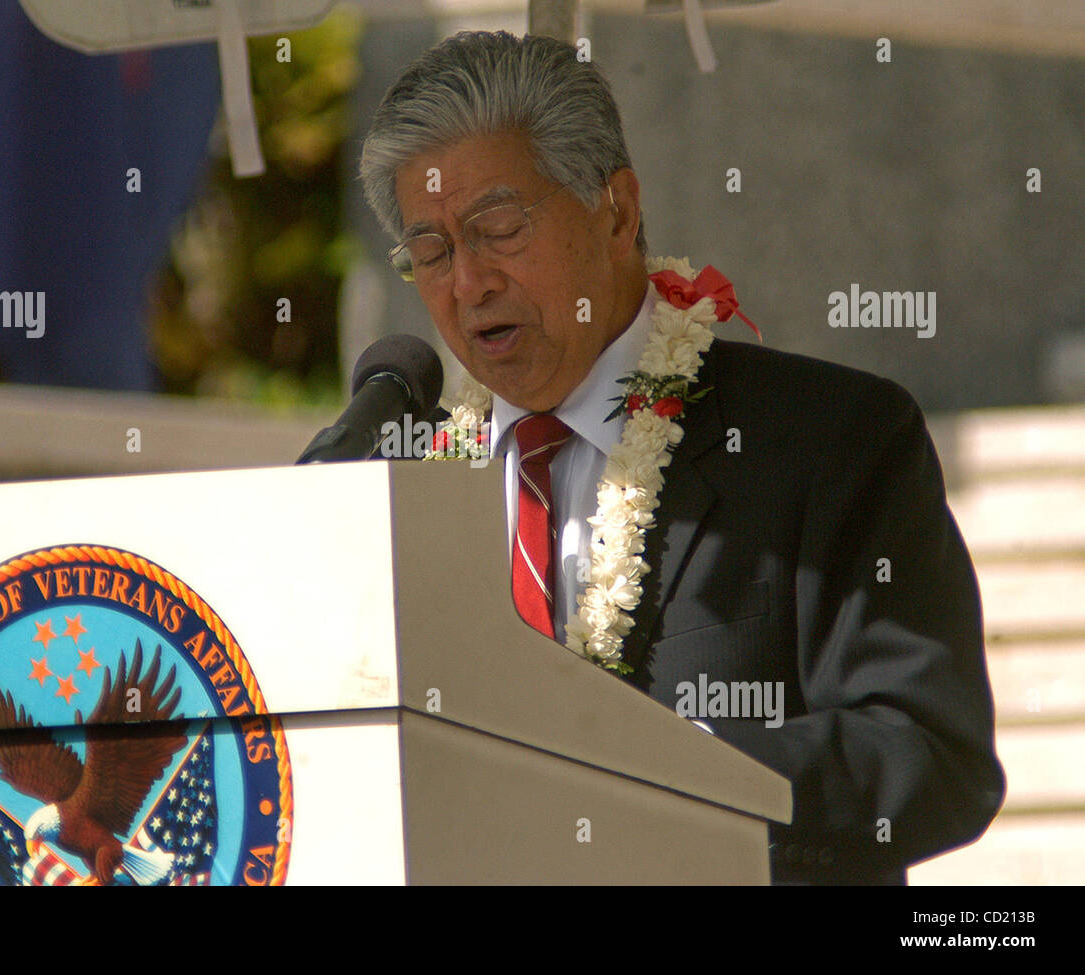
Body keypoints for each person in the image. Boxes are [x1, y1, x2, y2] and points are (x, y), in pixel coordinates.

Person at [359, 30, 1004, 884]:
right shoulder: (402, 493)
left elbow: (931, 752)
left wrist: (683, 778)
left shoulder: (832, 439)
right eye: (431, 251)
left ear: (617, 210)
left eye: (498, 227)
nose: (468, 280)